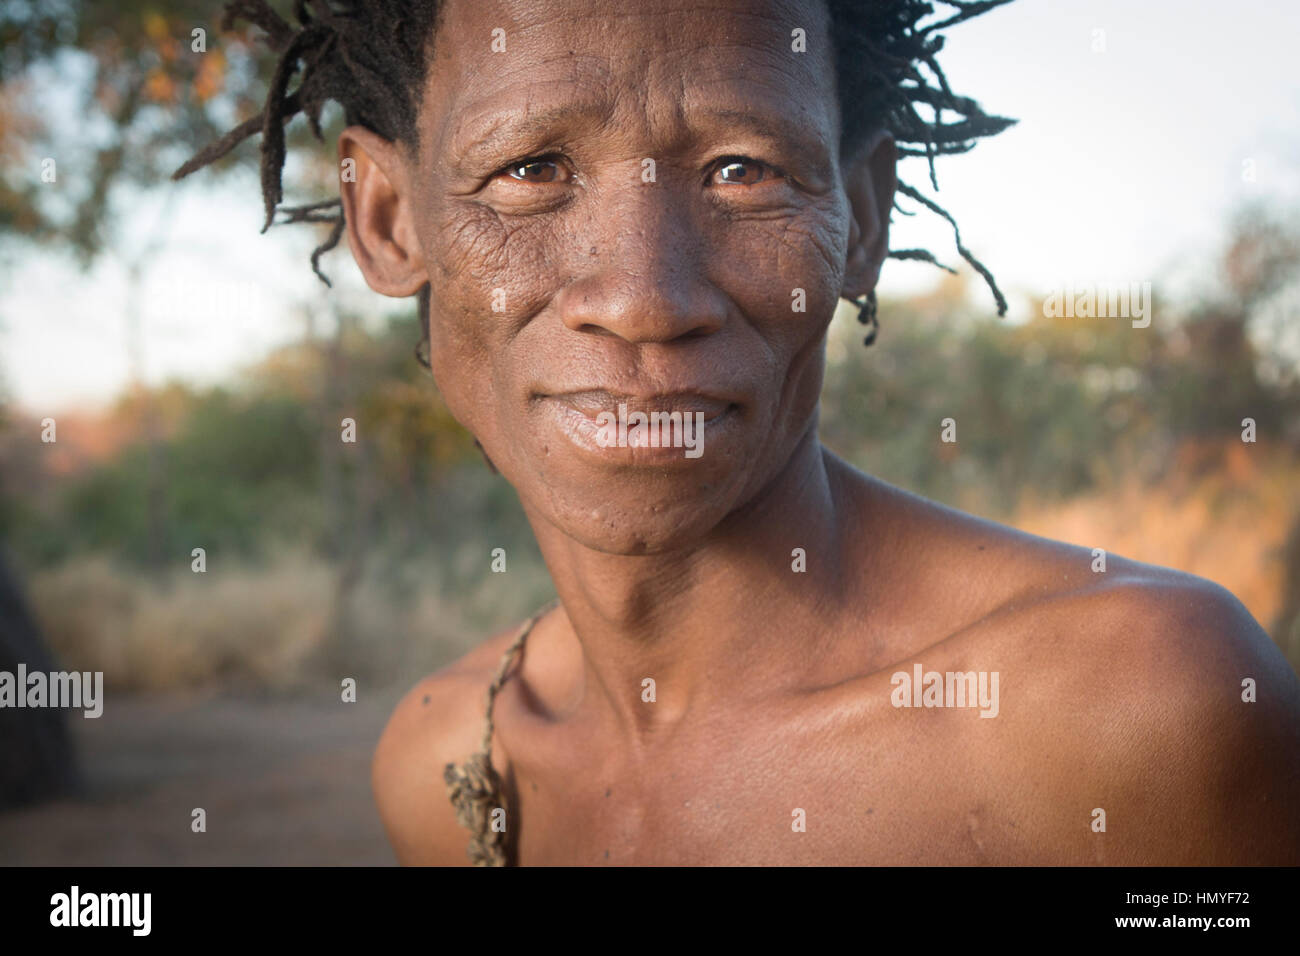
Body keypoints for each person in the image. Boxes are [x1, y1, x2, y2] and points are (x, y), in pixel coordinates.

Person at [178, 0, 1300, 865]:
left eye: (742, 170)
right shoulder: (448, 765)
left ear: (860, 221)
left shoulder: (1136, 710)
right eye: (530, 169)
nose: (645, 296)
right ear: (387, 217)